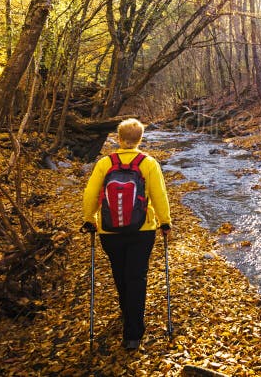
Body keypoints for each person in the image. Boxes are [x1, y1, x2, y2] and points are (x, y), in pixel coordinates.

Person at [82, 118, 171, 350]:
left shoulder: (105, 163)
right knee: (137, 277)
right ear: (140, 139)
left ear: (119, 138)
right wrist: (165, 222)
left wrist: (89, 219)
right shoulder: (148, 163)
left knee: (120, 273)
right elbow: (159, 195)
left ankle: (126, 309)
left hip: (109, 230)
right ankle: (133, 333)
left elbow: (90, 193)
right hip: (142, 231)